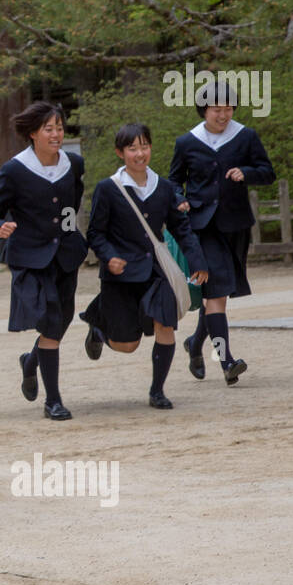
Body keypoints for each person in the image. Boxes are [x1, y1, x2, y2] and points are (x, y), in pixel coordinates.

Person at [80, 123, 208, 409]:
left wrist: (197, 261)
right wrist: (108, 256)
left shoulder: (163, 188)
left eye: (145, 146)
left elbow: (181, 228)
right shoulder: (108, 189)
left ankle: (157, 391)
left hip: (155, 270)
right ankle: (97, 325)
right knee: (128, 345)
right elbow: (95, 233)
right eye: (132, 148)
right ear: (120, 152)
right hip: (120, 275)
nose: (140, 153)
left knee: (166, 326)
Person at [0, 103, 89, 420]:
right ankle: (53, 401)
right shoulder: (14, 169)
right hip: (30, 257)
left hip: (66, 255)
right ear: (33, 133)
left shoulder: (75, 164)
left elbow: (73, 202)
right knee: (51, 320)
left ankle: (31, 361)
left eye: (59, 127)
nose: (56, 134)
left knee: (63, 319)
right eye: (49, 129)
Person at [168, 79, 275, 385]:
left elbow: (267, 172)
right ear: (204, 110)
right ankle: (227, 361)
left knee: (220, 294)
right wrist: (180, 199)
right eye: (217, 109)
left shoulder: (246, 137)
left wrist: (248, 173)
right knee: (215, 293)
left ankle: (195, 342)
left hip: (236, 225)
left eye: (228, 108)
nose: (223, 115)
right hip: (202, 227)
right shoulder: (187, 142)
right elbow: (174, 180)